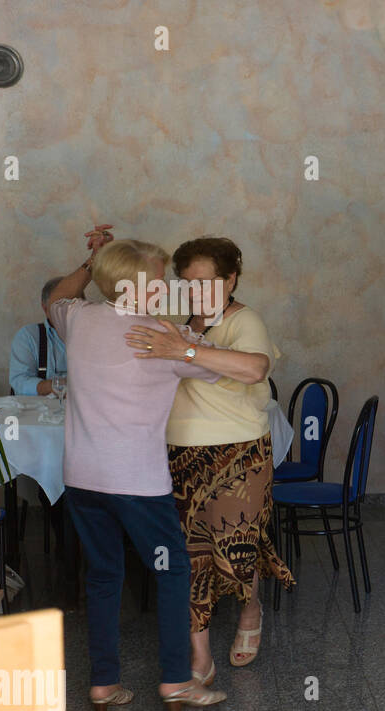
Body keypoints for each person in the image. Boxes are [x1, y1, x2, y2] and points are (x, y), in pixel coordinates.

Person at [44, 226, 226, 711]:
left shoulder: (78, 319)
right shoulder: (161, 335)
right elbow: (211, 367)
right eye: (160, 280)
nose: (165, 287)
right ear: (137, 287)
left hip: (82, 477)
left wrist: (91, 259)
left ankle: (103, 683)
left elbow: (53, 299)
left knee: (103, 575)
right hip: (138, 483)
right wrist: (200, 325)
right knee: (171, 573)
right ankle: (175, 682)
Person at [124, 237, 292, 685]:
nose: (195, 290)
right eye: (187, 282)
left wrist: (185, 351)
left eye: (206, 281)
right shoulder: (179, 326)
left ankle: (251, 609)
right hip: (181, 455)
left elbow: (255, 369)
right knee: (189, 555)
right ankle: (200, 658)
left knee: (237, 551)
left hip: (238, 453)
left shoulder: (244, 320)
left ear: (231, 279)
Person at [9, 279, 69, 395]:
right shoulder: (28, 336)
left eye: (75, 304)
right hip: (41, 410)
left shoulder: (96, 337)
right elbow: (20, 382)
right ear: (45, 308)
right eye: (60, 306)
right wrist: (58, 386)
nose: (68, 311)